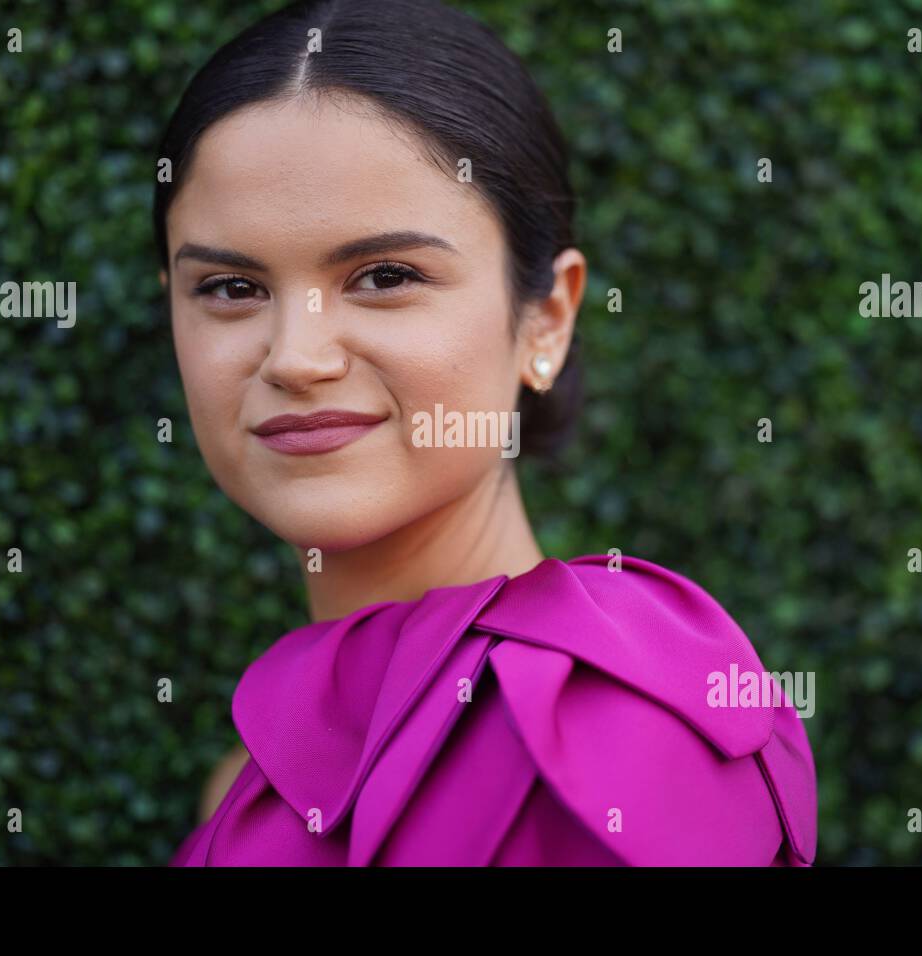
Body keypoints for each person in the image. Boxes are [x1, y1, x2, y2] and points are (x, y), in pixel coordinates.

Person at [153, 0, 816, 866]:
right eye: (231, 289)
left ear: (545, 319)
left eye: (385, 275)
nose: (296, 357)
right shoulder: (256, 780)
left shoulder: (601, 723)